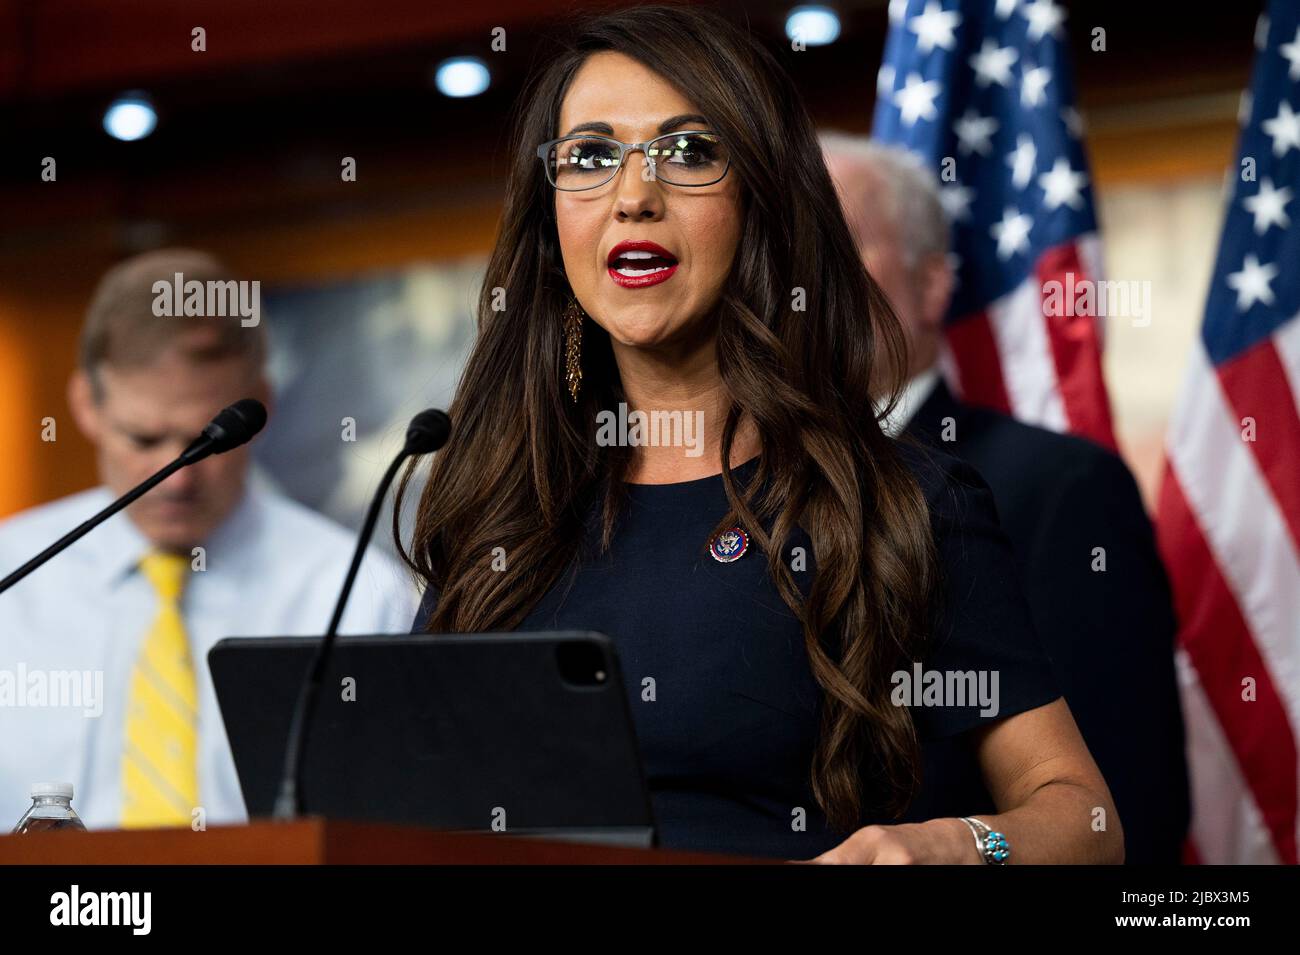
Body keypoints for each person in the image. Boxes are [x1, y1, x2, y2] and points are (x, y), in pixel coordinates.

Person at [400, 5, 1123, 863]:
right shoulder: (496, 508)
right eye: (591, 157)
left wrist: (955, 847)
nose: (635, 195)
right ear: (552, 227)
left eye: (690, 152)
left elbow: (1087, 820)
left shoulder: (899, 506)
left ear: (763, 202)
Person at [820, 135, 1189, 864]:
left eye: (842, 243)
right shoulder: (735, 489)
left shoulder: (1059, 487)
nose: (809, 277)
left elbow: (1127, 805)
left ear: (930, 286)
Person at [0, 249, 416, 831]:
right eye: (144, 438)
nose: (177, 475)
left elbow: (390, 826)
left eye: (208, 438)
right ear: (85, 406)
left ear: (263, 407)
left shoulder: (359, 593)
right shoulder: (10, 578)